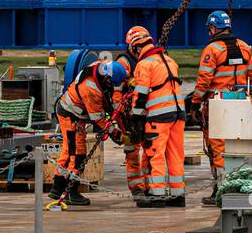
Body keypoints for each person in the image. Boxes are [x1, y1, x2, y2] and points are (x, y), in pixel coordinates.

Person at [191, 10, 252, 205]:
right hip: (240, 102)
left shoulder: (212, 50)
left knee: (217, 147)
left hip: (218, 104)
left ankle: (221, 190)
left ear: (213, 27)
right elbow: (251, 76)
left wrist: (195, 103)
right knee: (238, 144)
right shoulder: (244, 47)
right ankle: (240, 185)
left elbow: (204, 80)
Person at [50, 59, 128, 206]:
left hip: (75, 115)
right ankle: (70, 191)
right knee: (76, 154)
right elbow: (98, 119)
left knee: (70, 152)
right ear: (107, 78)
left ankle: (57, 187)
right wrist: (116, 134)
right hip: (70, 115)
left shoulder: (103, 66)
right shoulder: (90, 88)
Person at [126, 26, 186, 207]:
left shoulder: (144, 65)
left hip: (159, 117)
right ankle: (178, 195)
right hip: (178, 115)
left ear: (136, 48)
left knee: (155, 154)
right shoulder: (170, 60)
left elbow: (141, 94)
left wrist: (135, 117)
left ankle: (156, 194)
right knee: (175, 154)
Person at [114, 47, 147, 197]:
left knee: (151, 150)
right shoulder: (124, 62)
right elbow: (116, 91)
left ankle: (149, 184)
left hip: (145, 112)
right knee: (132, 152)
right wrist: (120, 117)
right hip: (129, 115)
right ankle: (136, 188)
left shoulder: (147, 60)